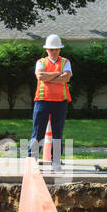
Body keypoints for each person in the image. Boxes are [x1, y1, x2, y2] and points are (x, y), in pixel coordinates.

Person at [28, 34, 72, 170]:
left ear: (60, 50)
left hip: (60, 102)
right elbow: (40, 76)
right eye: (51, 49)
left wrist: (49, 77)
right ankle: (32, 161)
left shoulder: (66, 61)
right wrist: (58, 73)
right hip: (42, 101)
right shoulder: (40, 62)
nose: (54, 52)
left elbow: (66, 78)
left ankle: (56, 161)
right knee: (37, 132)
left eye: (56, 49)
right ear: (46, 49)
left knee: (57, 132)